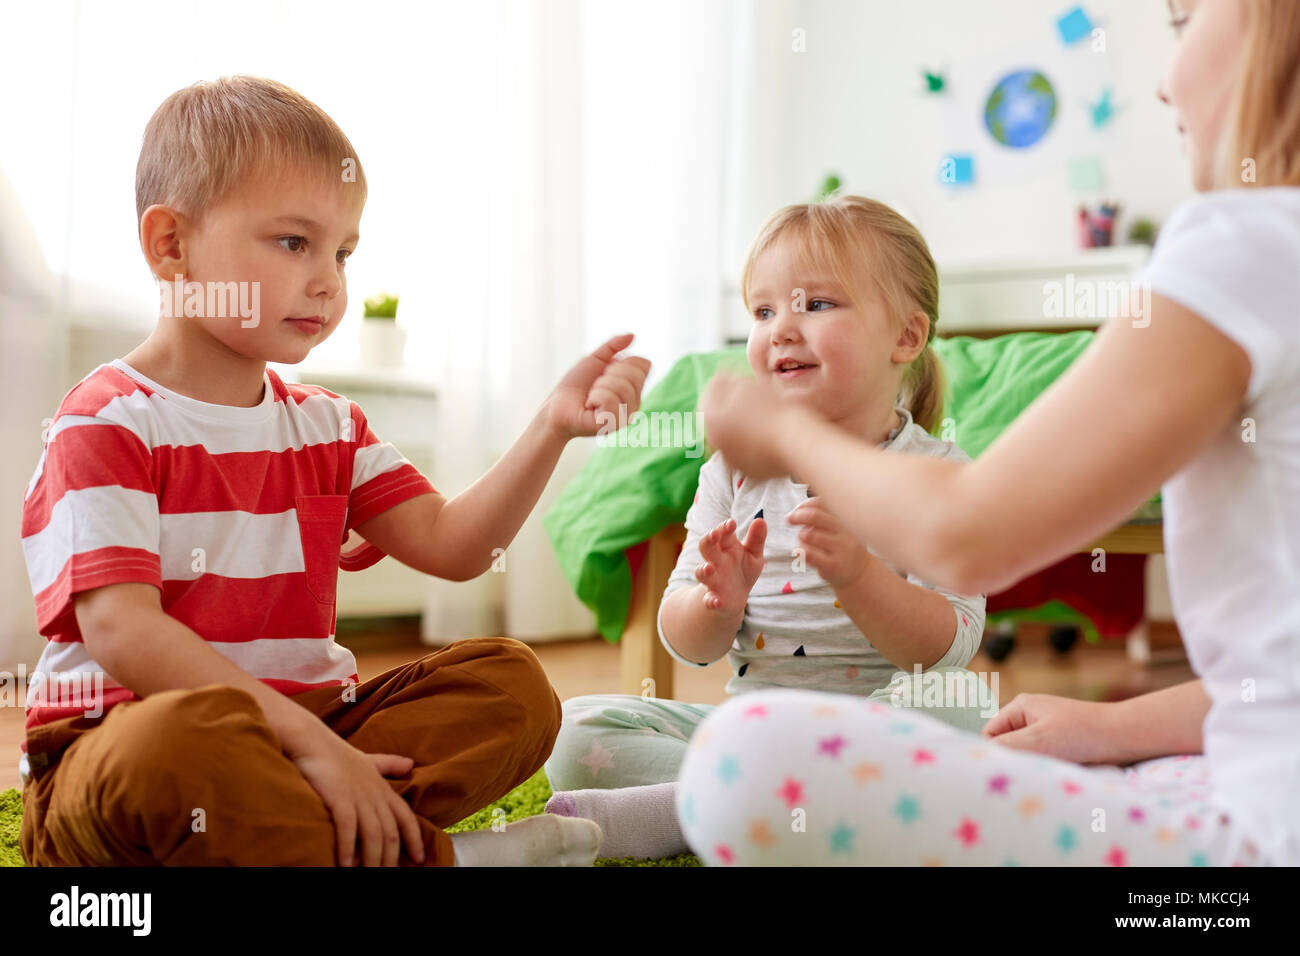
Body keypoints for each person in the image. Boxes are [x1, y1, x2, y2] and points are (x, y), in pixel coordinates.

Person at [679, 0, 1298, 866]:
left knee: (739, 767)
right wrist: (1112, 726)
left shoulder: (1247, 242)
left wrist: (785, 438)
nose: (1162, 82)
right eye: (766, 309)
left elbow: (964, 538)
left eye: (1182, 22)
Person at [18, 75, 650, 867]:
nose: (329, 280)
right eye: (294, 243)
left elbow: (455, 548)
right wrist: (315, 753)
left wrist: (552, 429)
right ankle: (441, 856)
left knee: (511, 685)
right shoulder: (105, 419)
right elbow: (122, 630)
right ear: (171, 244)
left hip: (308, 731)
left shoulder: (328, 425)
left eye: (344, 252)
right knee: (173, 747)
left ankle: (312, 837)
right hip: (127, 750)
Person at [545, 196, 990, 860]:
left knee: (958, 701)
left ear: (906, 336)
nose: (781, 327)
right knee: (575, 733)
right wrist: (715, 601)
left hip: (879, 724)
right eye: (763, 310)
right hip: (750, 729)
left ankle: (689, 809)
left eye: (815, 304)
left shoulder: (937, 472)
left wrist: (859, 576)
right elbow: (685, 642)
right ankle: (805, 804)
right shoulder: (734, 472)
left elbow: (946, 648)